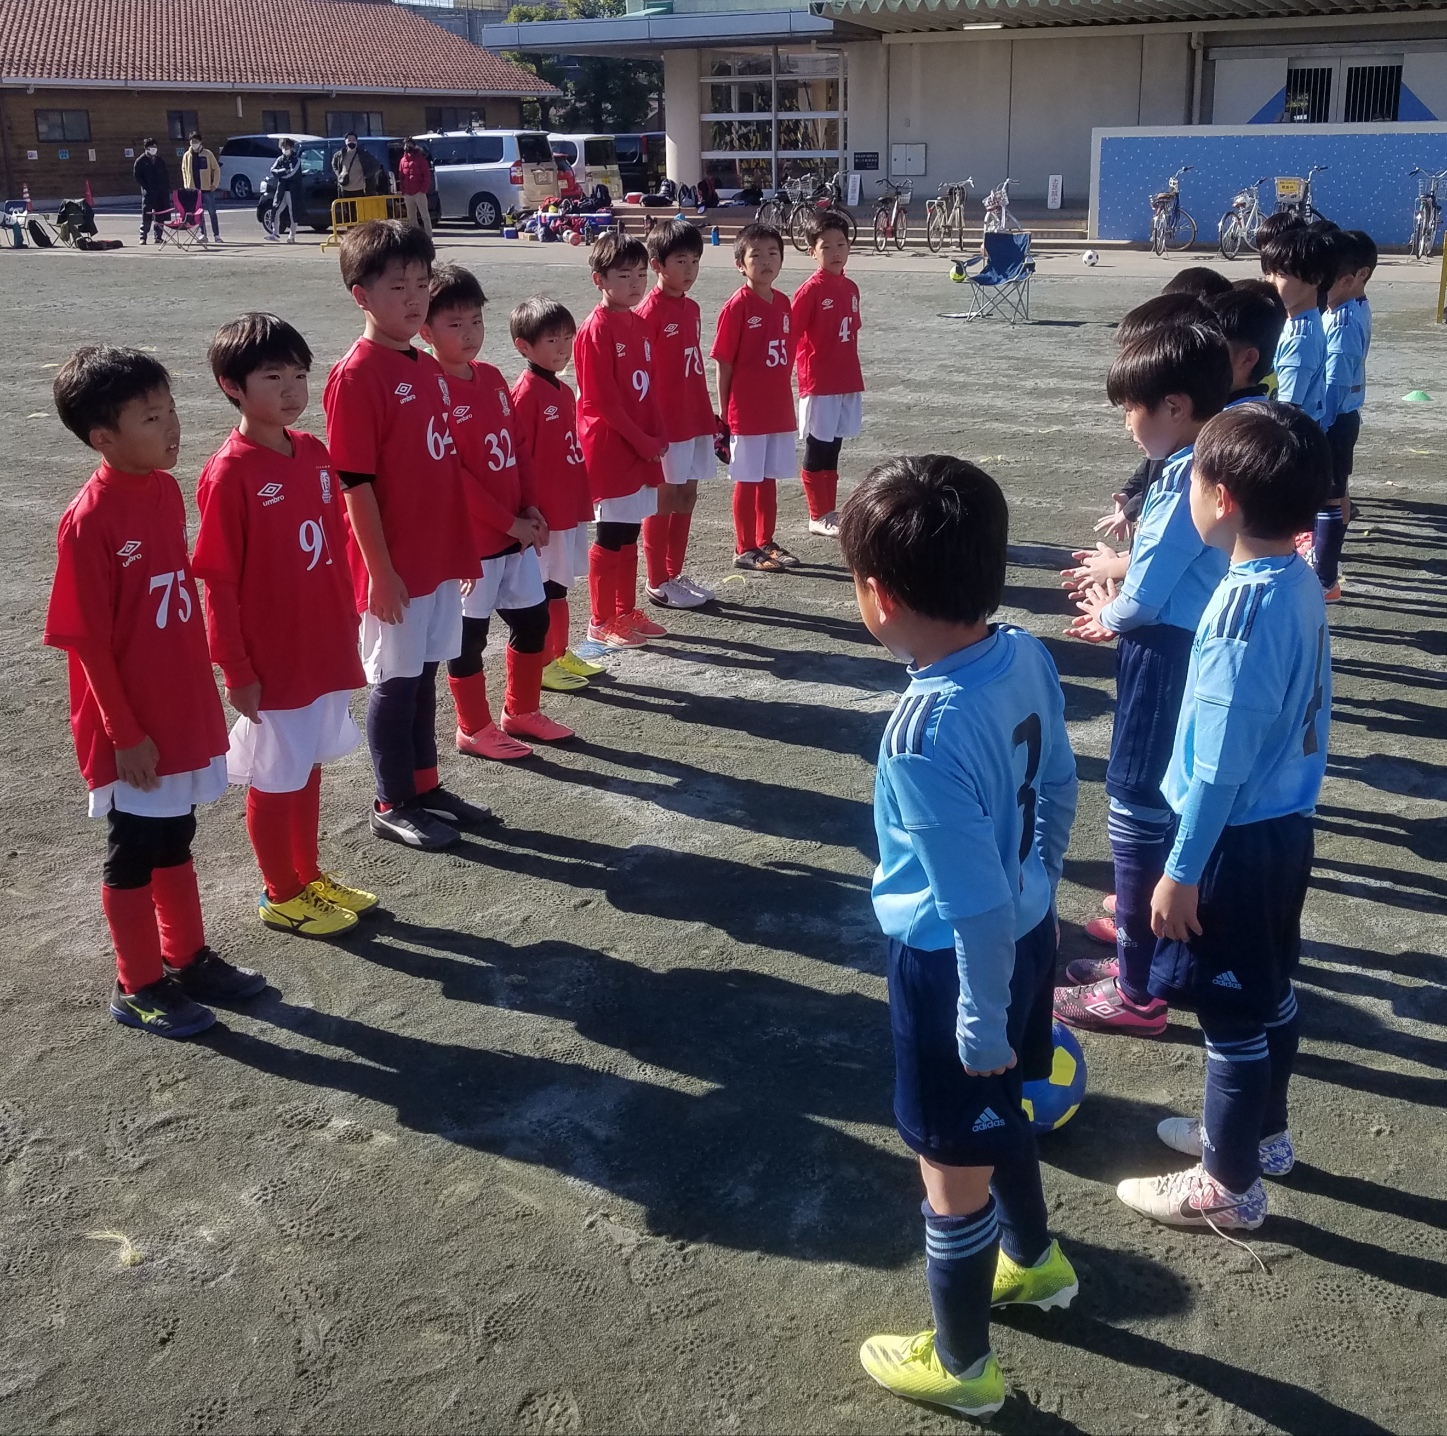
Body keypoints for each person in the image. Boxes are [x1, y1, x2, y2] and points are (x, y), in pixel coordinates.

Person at [841, 455, 1078, 1418]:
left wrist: (975, 1022)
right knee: (1001, 1112)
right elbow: (1059, 784)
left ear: (880, 596)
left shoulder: (920, 733)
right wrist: (1042, 885)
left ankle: (963, 1366)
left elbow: (969, 906)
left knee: (948, 1164)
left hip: (955, 967)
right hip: (1026, 934)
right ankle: (1036, 1261)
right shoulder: (1024, 653)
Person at [1117, 401, 1331, 1231]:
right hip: (1284, 828)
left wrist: (1178, 871)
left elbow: (1215, 768)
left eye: (1194, 479)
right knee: (1271, 993)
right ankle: (1260, 1137)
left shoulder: (1241, 613)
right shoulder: (1299, 578)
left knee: (1230, 1013)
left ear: (1224, 498)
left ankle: (1227, 1184)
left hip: (1232, 843)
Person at [45, 347, 266, 1038]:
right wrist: (124, 733)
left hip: (178, 703)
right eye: (149, 417)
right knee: (135, 847)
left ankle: (186, 957)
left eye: (169, 409)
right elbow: (86, 643)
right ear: (102, 438)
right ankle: (137, 983)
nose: (171, 426)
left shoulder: (165, 490)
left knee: (176, 834)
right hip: (133, 722)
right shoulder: (89, 520)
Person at [1054, 322, 1232, 1039]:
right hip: (1188, 648)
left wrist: (1109, 609)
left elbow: (1147, 596)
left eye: (1132, 408)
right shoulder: (1213, 459)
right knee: (1160, 803)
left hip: (1164, 656)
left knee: (1134, 802)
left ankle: (1137, 992)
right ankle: (1149, 964)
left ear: (1174, 407)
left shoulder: (1185, 477)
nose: (1127, 423)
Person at [192, 313, 373, 939]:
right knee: (276, 775)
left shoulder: (315, 454)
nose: (292, 390)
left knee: (308, 765)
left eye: (299, 375)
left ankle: (308, 874)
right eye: (273, 377)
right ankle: (280, 892)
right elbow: (218, 584)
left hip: (322, 646)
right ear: (232, 386)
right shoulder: (229, 472)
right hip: (275, 660)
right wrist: (236, 669)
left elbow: (330, 549)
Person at [322, 220, 491, 851]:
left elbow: (438, 468)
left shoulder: (424, 365)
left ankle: (425, 785)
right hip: (394, 566)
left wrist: (458, 550)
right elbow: (355, 483)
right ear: (361, 295)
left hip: (435, 557)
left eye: (422, 283)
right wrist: (381, 572)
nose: (415, 298)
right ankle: (391, 801)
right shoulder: (356, 375)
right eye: (398, 287)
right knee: (395, 682)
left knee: (423, 675)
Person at [418, 264, 573, 760]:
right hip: (472, 543)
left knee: (533, 621)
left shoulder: (491, 378)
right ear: (426, 331)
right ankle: (473, 727)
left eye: (476, 322)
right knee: (470, 637)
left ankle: (520, 711)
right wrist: (509, 522)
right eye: (454, 324)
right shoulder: (428, 387)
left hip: (514, 532)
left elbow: (518, 448)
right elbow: (453, 476)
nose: (469, 334)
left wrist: (530, 506)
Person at [573, 232, 669, 650]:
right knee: (611, 534)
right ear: (599, 280)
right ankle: (600, 620)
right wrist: (642, 440)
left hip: (641, 446)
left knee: (630, 531)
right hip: (612, 448)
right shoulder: (594, 330)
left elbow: (650, 388)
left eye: (640, 274)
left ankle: (625, 609)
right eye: (624, 275)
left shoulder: (641, 324)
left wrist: (658, 432)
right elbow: (602, 402)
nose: (635, 283)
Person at [509, 297, 606, 694]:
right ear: (524, 346)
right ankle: (543, 662)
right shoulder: (525, 393)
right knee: (544, 588)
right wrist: (527, 511)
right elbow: (517, 458)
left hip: (567, 505)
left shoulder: (563, 390)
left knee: (560, 585)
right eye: (552, 340)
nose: (563, 348)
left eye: (568, 337)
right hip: (544, 512)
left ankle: (560, 652)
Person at [637, 218, 716, 609]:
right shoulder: (647, 314)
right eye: (680, 261)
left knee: (687, 494)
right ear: (657, 265)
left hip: (693, 416)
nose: (689, 270)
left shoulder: (692, 308)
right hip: (666, 423)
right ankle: (657, 581)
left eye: (695, 261)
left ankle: (674, 572)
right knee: (663, 498)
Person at [712, 222, 798, 572]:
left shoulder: (784, 303)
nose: (766, 261)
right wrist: (725, 412)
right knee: (747, 479)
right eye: (756, 255)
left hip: (777, 408)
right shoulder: (737, 307)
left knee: (768, 477)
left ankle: (766, 540)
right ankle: (744, 546)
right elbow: (724, 363)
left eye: (773, 253)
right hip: (746, 411)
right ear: (741, 264)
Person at [792, 209, 865, 539]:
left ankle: (828, 510)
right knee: (818, 445)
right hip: (819, 382)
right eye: (826, 247)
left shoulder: (850, 287)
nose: (835, 252)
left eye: (841, 244)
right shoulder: (809, 291)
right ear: (812, 251)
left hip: (846, 379)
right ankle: (816, 514)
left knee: (834, 445)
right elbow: (792, 336)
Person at [1314, 229, 1376, 601]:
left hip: (1334, 420)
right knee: (1335, 493)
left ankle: (1324, 579)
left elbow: (1334, 384)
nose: (1319, 286)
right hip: (1339, 417)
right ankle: (1324, 568)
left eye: (1327, 279)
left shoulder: (1343, 322)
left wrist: (1318, 427)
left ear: (1357, 278)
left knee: (1330, 497)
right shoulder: (1346, 308)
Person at [1260, 224, 1335, 428]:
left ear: (1316, 278)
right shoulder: (1294, 322)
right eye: (1268, 272)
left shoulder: (1300, 337)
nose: (1270, 281)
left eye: (1281, 274)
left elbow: (1286, 410)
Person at [180, 132, 222, 242]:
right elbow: (184, 170)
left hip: (207, 189)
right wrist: (186, 185)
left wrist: (215, 184)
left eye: (196, 141)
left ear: (200, 142)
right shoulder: (187, 155)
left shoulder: (207, 154)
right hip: (194, 190)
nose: (194, 143)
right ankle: (203, 234)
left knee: (212, 212)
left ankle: (216, 235)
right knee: (199, 213)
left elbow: (216, 169)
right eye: (192, 141)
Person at [265, 138, 303, 243]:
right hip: (281, 189)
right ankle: (275, 233)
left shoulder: (296, 160)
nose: (285, 149)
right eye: (283, 147)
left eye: (287, 147)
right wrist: (282, 171)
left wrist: (281, 175)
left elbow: (292, 174)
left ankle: (292, 236)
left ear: (291, 148)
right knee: (276, 209)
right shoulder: (280, 159)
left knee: (292, 212)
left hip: (292, 190)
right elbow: (272, 170)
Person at [133, 138, 169, 245]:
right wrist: (146, 186)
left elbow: (165, 175)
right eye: (151, 147)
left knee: (160, 215)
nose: (154, 149)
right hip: (148, 193)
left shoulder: (160, 160)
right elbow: (137, 176)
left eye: (155, 146)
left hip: (160, 192)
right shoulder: (140, 161)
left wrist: (166, 188)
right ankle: (143, 237)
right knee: (146, 215)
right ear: (146, 148)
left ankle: (158, 237)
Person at [398, 139, 433, 236]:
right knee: (411, 218)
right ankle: (416, 237)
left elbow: (427, 176)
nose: (407, 147)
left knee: (424, 216)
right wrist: (403, 191)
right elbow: (401, 177)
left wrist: (423, 190)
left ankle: (429, 236)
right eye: (406, 145)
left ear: (414, 146)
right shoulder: (402, 161)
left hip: (419, 193)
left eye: (409, 145)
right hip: (408, 193)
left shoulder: (420, 159)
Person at [332, 133, 379, 199]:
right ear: (345, 141)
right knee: (346, 205)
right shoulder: (339, 155)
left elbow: (376, 165)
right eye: (349, 140)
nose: (351, 142)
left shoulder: (364, 154)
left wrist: (366, 175)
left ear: (357, 141)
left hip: (360, 189)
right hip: (344, 189)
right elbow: (334, 164)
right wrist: (339, 175)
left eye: (353, 140)